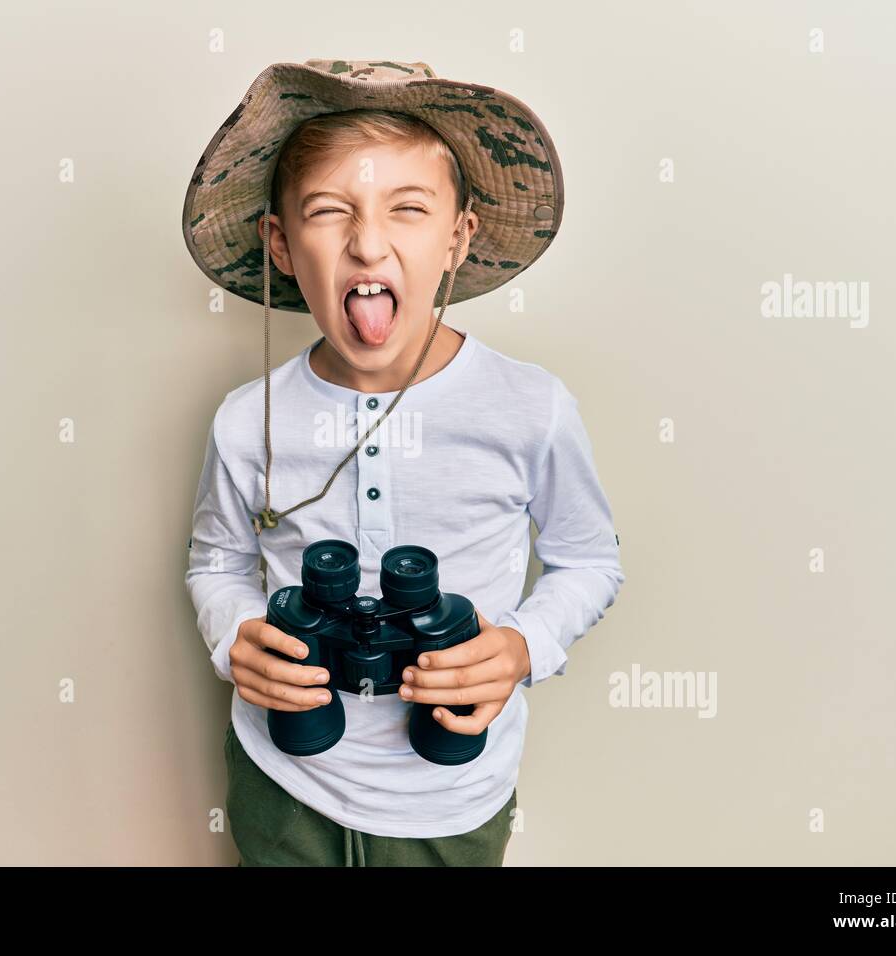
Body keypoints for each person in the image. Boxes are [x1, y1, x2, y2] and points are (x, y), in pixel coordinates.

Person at [182, 59, 624, 866]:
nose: (368, 243)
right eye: (328, 213)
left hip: (452, 799)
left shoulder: (530, 406)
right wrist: (236, 635)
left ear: (459, 237)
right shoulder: (249, 419)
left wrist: (523, 644)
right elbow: (217, 560)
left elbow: (589, 558)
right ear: (280, 245)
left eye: (409, 210)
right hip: (283, 781)